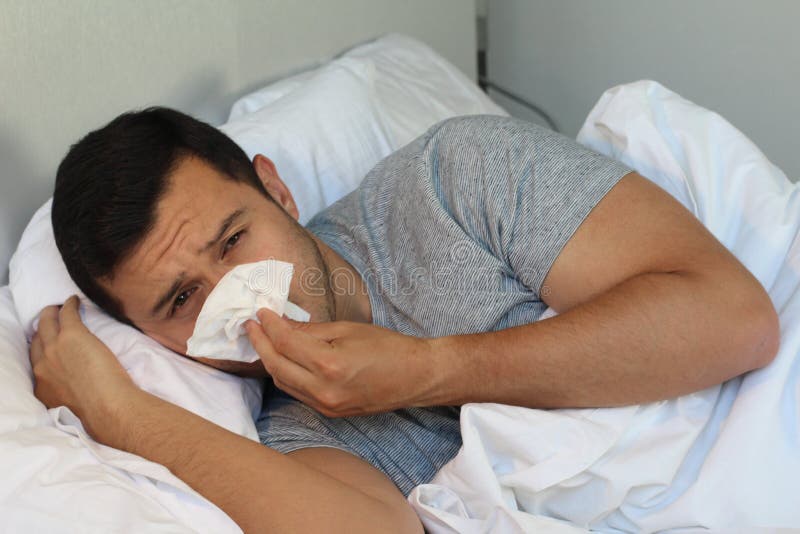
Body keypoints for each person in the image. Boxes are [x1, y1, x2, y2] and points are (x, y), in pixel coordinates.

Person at [30, 108, 779, 532]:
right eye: (182, 302)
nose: (241, 297)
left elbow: (734, 319)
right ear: (156, 340)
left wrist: (427, 371)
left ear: (277, 191)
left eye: (234, 242)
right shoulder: (295, 431)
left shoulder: (453, 182)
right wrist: (118, 413)